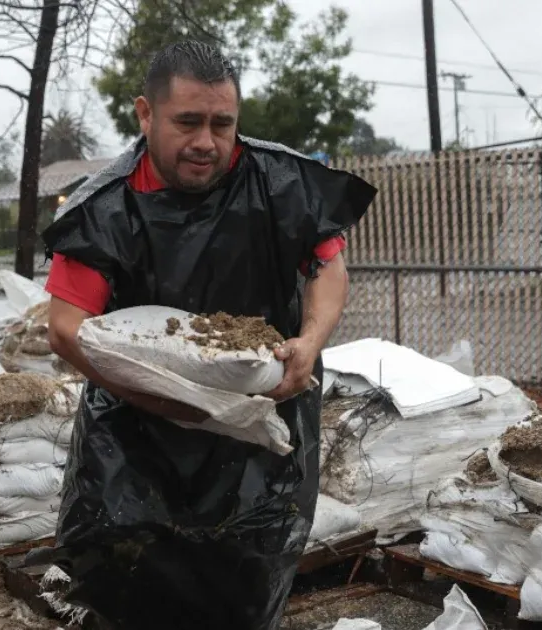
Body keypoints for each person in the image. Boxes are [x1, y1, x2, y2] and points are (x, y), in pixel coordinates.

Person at [37, 41, 376, 629]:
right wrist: (172, 400)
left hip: (260, 435)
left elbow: (329, 268)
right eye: (188, 122)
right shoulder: (107, 209)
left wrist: (310, 344)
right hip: (134, 443)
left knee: (242, 593)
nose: (207, 142)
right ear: (145, 114)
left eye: (223, 124)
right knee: (128, 590)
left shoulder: (278, 182)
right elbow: (66, 331)